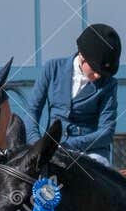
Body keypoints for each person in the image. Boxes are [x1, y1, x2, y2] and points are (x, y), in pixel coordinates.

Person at [26, 24, 120, 162]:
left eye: (102, 73)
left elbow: (106, 132)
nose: (98, 76)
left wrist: (68, 145)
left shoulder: (109, 84)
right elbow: (32, 110)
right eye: (94, 69)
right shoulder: (52, 68)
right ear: (82, 55)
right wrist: (37, 143)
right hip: (50, 147)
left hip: (91, 152)